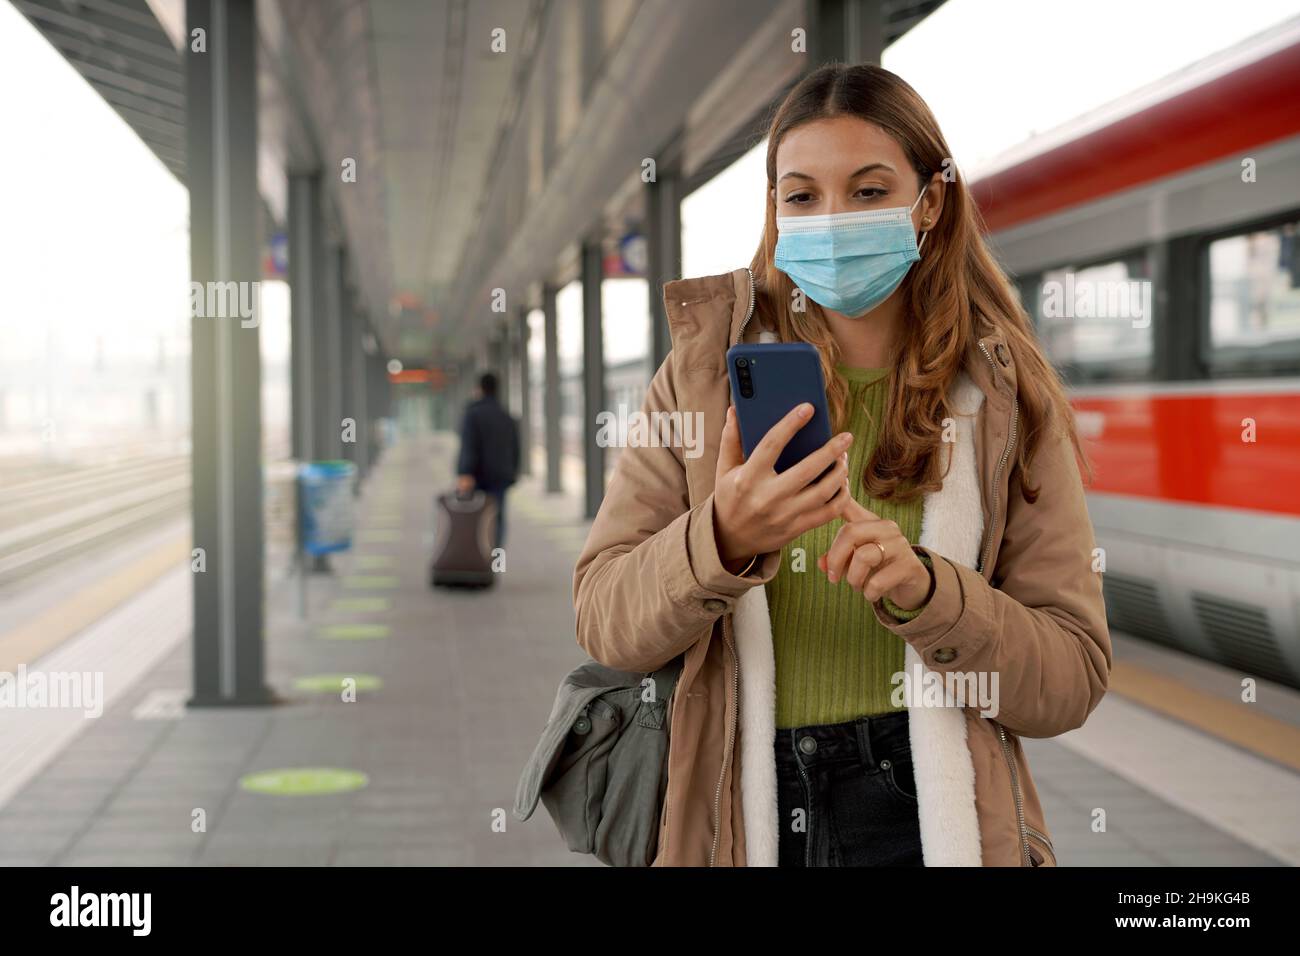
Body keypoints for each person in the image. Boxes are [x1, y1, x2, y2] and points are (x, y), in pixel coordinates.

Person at [572, 63, 1110, 867]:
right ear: (775, 209)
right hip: (741, 807)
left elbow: (1070, 677)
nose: (831, 221)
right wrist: (722, 538)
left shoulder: (1005, 399)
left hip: (922, 813)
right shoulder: (702, 378)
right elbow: (604, 618)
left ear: (929, 202)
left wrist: (930, 594)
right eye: (801, 195)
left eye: (868, 191)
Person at [455, 372, 519, 548]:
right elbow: (515, 447)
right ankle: (496, 557)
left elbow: (468, 446)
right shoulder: (506, 416)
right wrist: (512, 472)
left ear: (480, 389)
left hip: (478, 476)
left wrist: (465, 472)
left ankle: (478, 556)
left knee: (475, 516)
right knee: (498, 518)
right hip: (500, 476)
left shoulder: (473, 414)